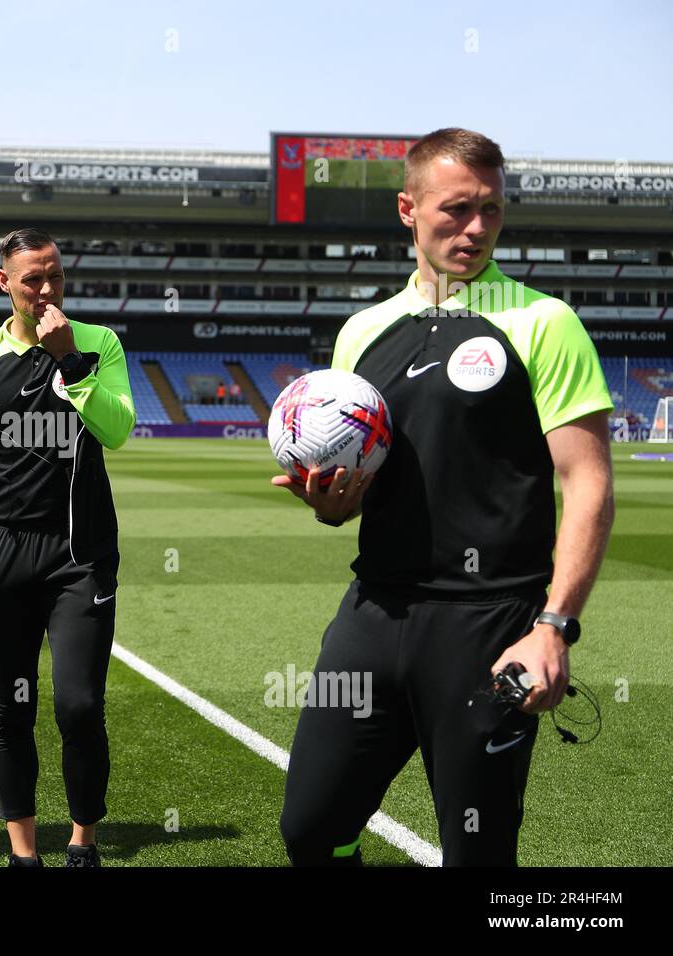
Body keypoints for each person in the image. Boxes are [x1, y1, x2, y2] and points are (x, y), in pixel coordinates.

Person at [274, 129, 615, 866]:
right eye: (456, 210)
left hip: (491, 624)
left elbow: (587, 482)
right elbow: (357, 494)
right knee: (310, 829)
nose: (476, 229)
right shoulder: (363, 333)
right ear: (408, 209)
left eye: (491, 211)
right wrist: (332, 507)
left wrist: (554, 626)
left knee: (478, 855)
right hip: (375, 613)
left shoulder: (543, 323)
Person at [0, 227, 136, 867]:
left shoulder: (98, 344)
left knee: (78, 705)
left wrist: (70, 361)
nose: (46, 288)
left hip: (77, 555)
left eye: (54, 274)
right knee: (9, 711)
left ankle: (83, 841)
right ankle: (24, 852)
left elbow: (117, 429)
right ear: (5, 283)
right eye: (32, 278)